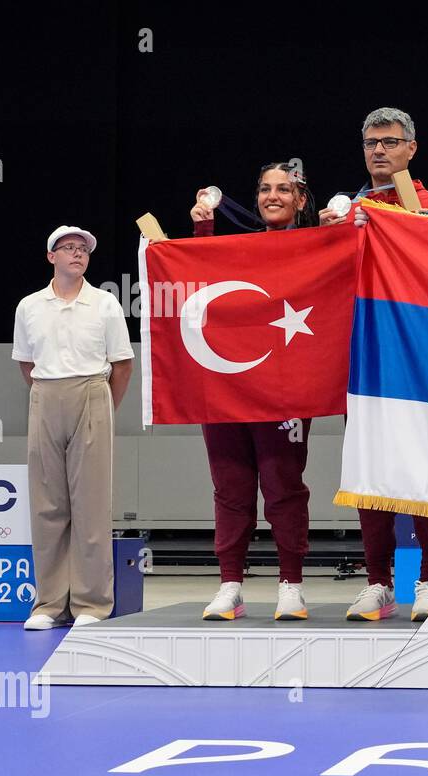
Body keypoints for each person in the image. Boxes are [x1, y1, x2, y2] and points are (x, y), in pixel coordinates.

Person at [326, 107, 428, 622]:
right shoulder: (345, 211)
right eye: (371, 142)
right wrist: (325, 238)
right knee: (369, 468)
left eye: (390, 141)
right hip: (365, 360)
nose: (379, 150)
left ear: (411, 148)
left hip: (423, 359)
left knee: (426, 467)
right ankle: (378, 583)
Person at [190, 163, 318, 621]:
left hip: (286, 391)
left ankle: (291, 584)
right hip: (228, 388)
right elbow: (198, 280)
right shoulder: (236, 247)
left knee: (283, 488)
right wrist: (203, 226)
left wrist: (341, 230)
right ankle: (230, 585)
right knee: (230, 487)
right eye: (265, 188)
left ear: (301, 200)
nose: (272, 196)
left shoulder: (317, 248)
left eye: (284, 189)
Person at [13, 226, 134, 629]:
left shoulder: (104, 304)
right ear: (52, 257)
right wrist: (51, 393)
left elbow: (122, 363)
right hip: (46, 394)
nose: (77, 254)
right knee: (48, 504)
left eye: (83, 249)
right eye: (68, 248)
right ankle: (48, 604)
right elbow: (26, 364)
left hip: (92, 392)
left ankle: (91, 603)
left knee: (91, 504)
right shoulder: (29, 306)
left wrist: (102, 407)